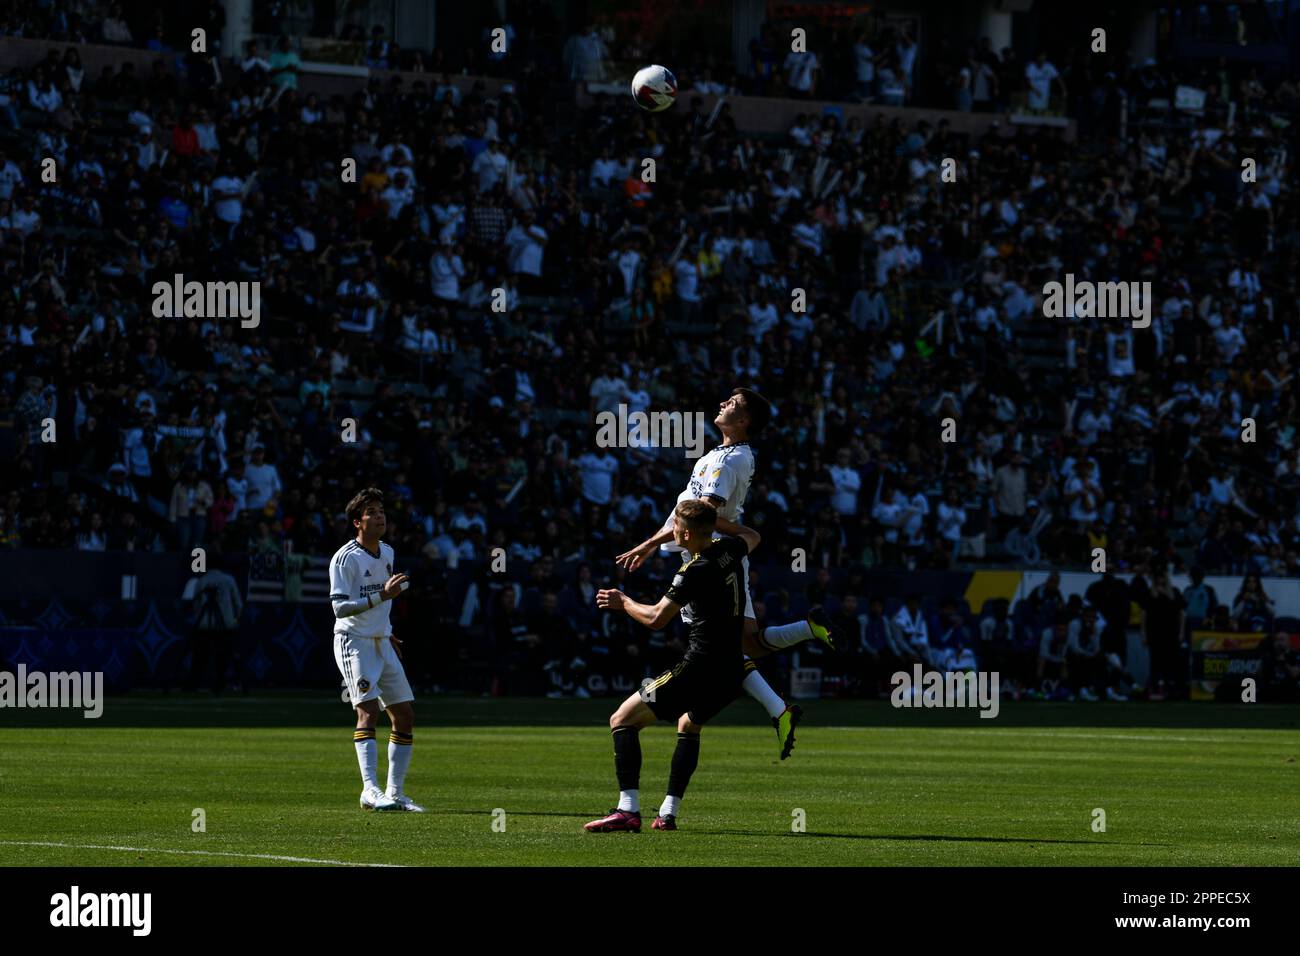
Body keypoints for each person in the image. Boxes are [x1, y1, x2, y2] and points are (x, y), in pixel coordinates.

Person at [614, 388, 831, 758]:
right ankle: (804, 644)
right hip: (721, 557)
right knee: (746, 644)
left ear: (744, 421)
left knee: (725, 648)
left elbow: (701, 515)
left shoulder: (727, 463)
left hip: (712, 563)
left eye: (732, 404)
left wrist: (650, 544)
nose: (722, 404)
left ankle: (780, 707)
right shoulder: (723, 455)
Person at [585, 500, 760, 832]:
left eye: (675, 526)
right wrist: (716, 522)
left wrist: (623, 602)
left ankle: (627, 811)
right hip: (732, 669)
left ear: (687, 532)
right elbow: (752, 535)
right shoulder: (731, 550)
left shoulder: (694, 570)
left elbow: (655, 619)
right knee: (688, 726)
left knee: (622, 719)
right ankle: (667, 814)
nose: (671, 531)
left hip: (700, 667)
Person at [329, 488, 421, 812]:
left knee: (405, 715)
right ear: (358, 522)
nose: (380, 517)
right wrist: (381, 596)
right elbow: (340, 609)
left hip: (382, 641)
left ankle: (395, 793)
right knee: (367, 712)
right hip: (354, 642)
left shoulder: (388, 552)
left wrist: (388, 631)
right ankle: (370, 790)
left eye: (381, 511)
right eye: (372, 512)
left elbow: (384, 603)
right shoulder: (344, 558)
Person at [186, 553, 244, 694]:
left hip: (204, 625)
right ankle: (220, 683)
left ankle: (193, 684)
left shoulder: (201, 581)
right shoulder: (229, 580)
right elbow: (238, 604)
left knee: (200, 656)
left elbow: (196, 605)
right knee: (223, 656)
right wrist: (235, 620)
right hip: (225, 625)